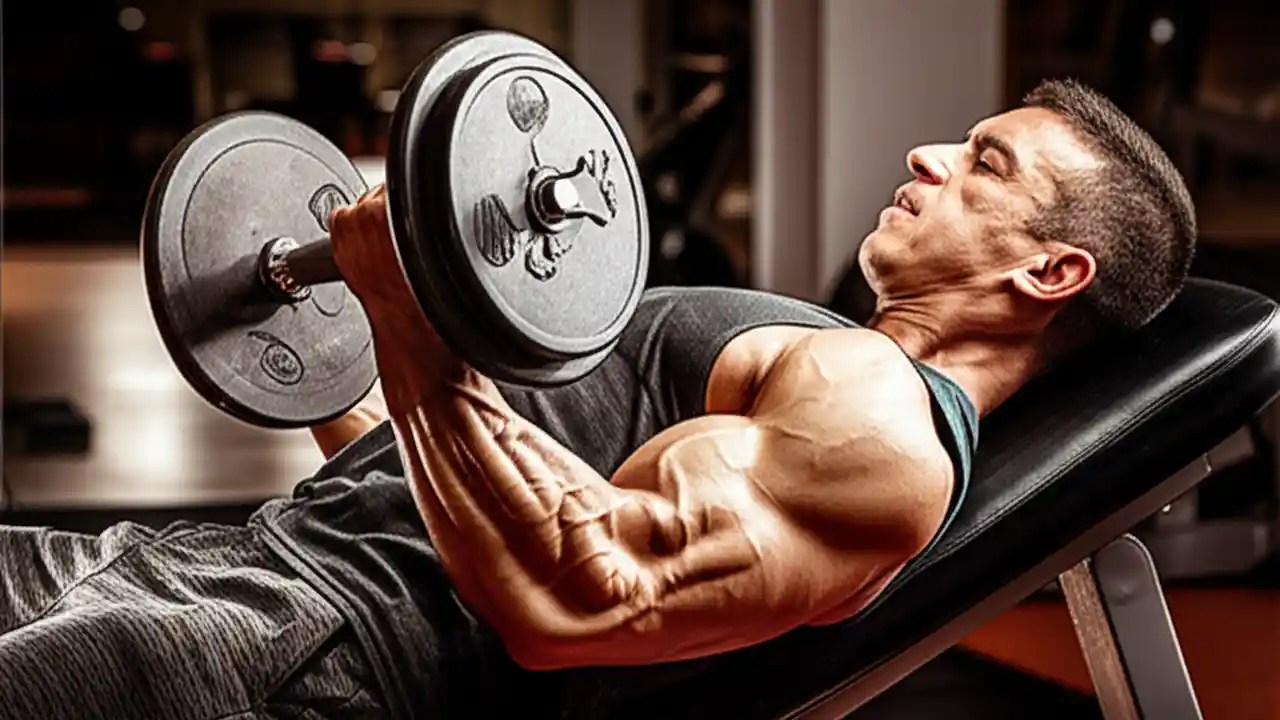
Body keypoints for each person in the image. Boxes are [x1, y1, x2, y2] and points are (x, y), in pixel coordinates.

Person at [0, 79, 1194, 720]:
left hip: (289, 656)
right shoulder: (823, 358)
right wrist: (351, 352)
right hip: (229, 569)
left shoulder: (882, 425)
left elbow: (577, 592)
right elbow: (447, 485)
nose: (931, 156)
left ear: (1049, 272)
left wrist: (414, 329)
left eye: (983, 162)